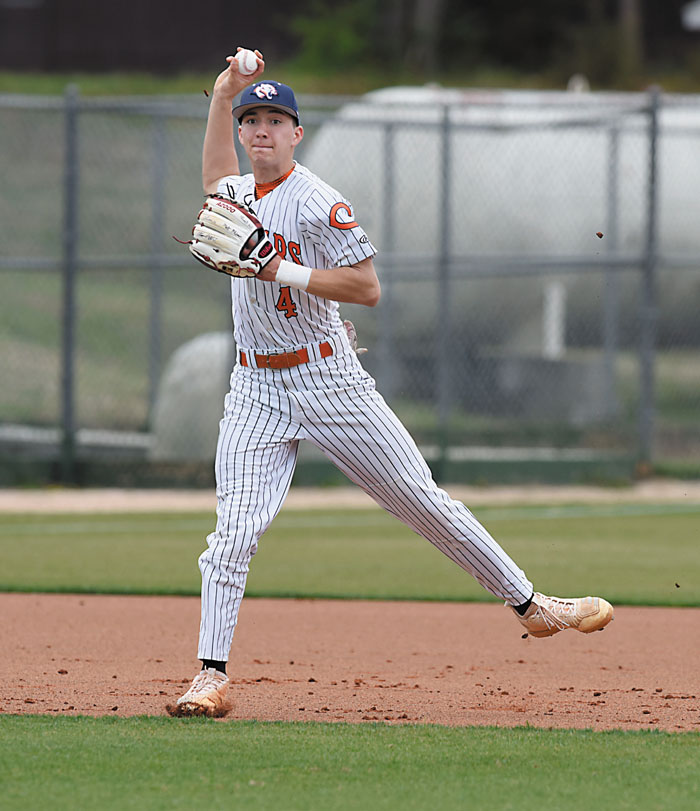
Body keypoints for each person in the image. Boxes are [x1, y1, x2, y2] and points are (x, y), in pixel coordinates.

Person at [171, 50, 614, 717]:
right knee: (232, 534)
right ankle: (209, 676)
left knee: (421, 501)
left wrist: (278, 270)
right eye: (251, 121)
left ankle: (532, 604)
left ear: (296, 133)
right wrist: (221, 93)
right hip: (256, 387)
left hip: (329, 379)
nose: (261, 131)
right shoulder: (234, 194)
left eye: (274, 121)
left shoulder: (318, 201)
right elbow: (214, 178)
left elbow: (367, 287)